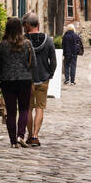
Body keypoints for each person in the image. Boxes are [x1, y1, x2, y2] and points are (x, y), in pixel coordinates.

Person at [0, 18, 36, 148]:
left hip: (7, 81)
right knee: (24, 109)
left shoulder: (1, 45)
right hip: (25, 80)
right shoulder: (27, 44)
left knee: (11, 112)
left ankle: (12, 141)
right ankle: (20, 136)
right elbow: (34, 63)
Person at [23, 12, 56, 147]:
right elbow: (53, 61)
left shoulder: (23, 41)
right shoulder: (48, 40)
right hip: (43, 78)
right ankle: (36, 135)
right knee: (40, 108)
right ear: (38, 24)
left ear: (27, 25)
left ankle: (30, 135)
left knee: (28, 109)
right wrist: (50, 74)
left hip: (27, 79)